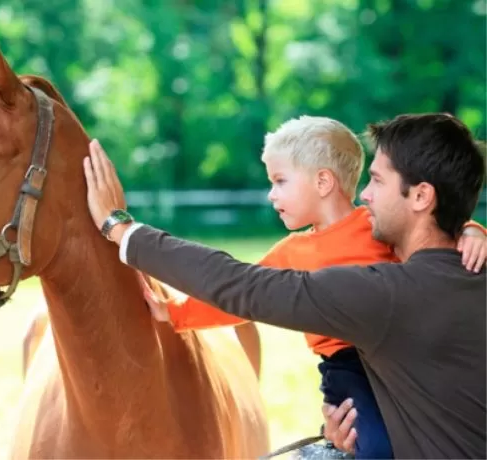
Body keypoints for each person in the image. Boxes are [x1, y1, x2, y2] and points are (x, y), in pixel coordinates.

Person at [82, 113, 487, 459]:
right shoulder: (465, 274)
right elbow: (241, 292)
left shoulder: (381, 287)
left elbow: (239, 286)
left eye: (378, 181)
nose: (365, 193)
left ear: (420, 196)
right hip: (351, 371)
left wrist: (120, 229)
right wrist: (176, 313)